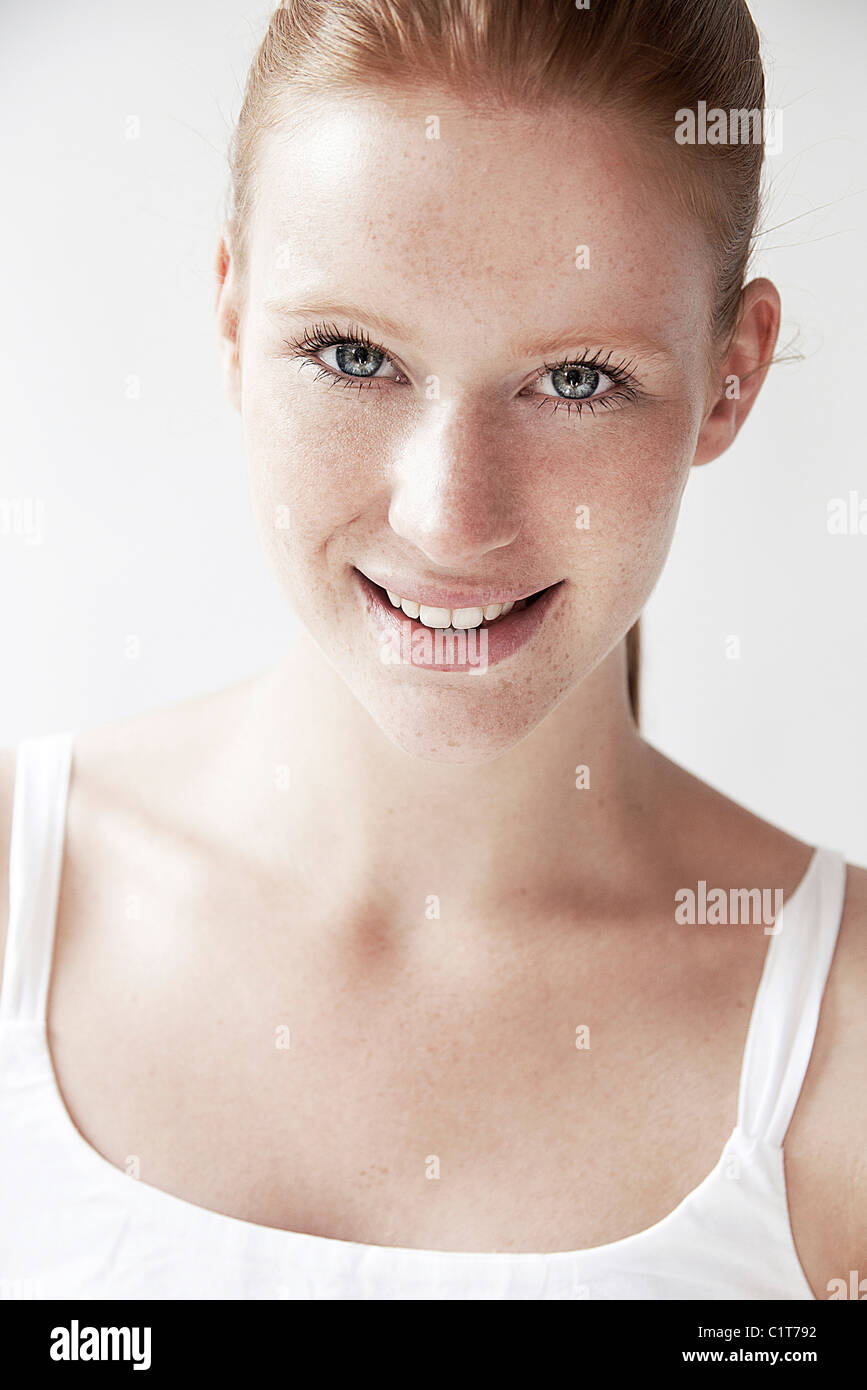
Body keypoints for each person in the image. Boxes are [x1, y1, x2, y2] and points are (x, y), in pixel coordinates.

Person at [0, 0, 864, 1300]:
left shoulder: (844, 1052)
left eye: (575, 379)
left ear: (730, 377)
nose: (448, 517)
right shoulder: (16, 889)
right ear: (231, 319)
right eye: (354, 355)